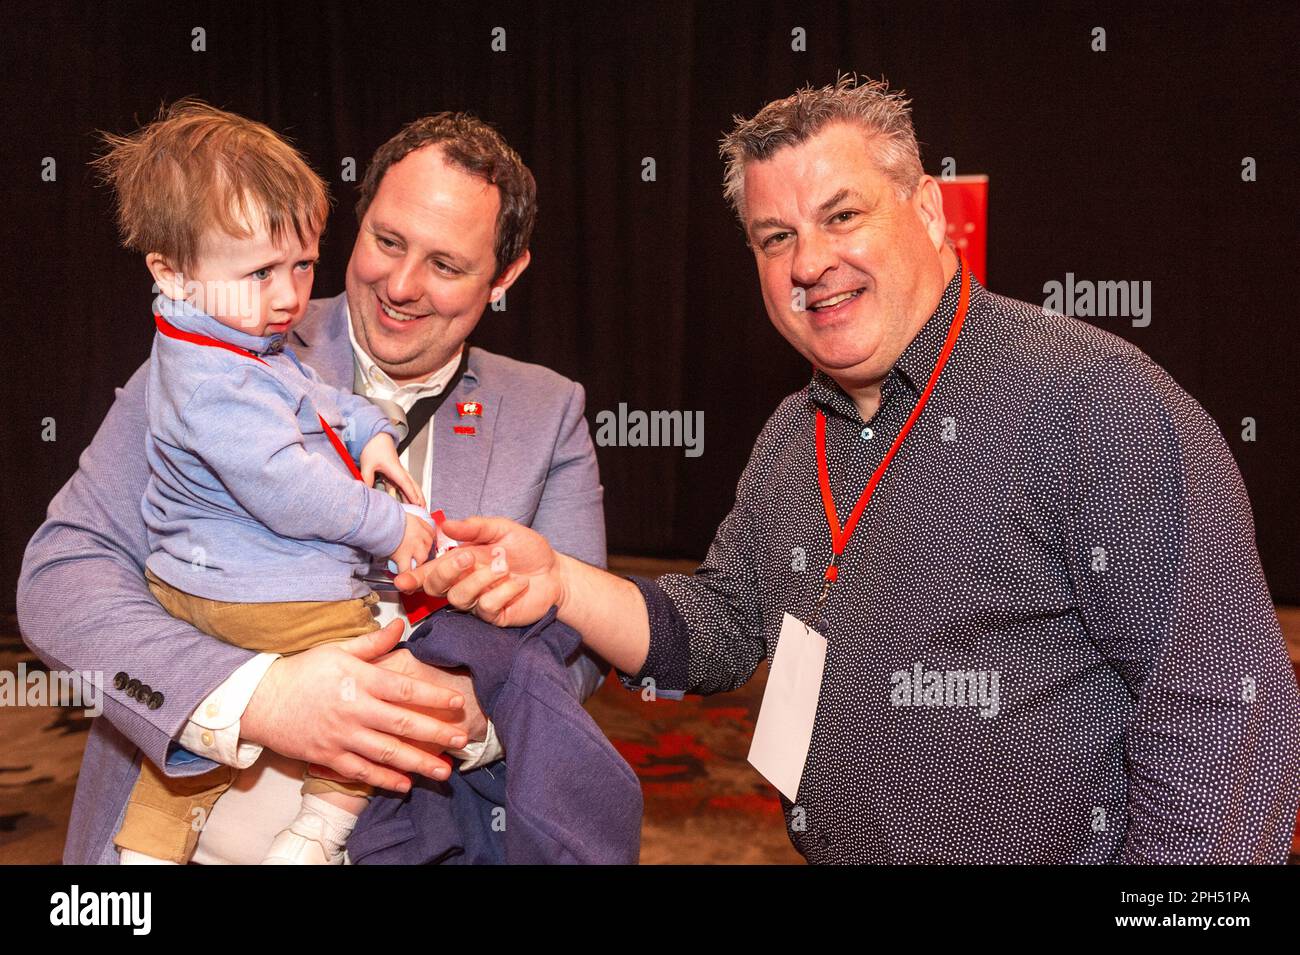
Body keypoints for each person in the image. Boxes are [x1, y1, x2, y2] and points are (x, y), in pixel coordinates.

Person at [402, 75, 1300, 864]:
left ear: (929, 211)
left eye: (842, 215)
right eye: (774, 236)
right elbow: (718, 627)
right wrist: (558, 578)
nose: (811, 263)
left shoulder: (1094, 404)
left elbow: (1228, 714)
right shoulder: (795, 436)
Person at [18, 108, 608, 865]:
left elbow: (579, 640)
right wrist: (255, 697)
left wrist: (464, 714)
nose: (400, 286)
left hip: (422, 839)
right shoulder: (217, 346)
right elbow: (59, 577)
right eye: (386, 242)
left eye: (446, 265)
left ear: (505, 274)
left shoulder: (549, 411)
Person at [95, 100, 444, 865]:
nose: (289, 297)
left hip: (201, 592)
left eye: (303, 265)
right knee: (387, 675)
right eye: (260, 271)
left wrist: (372, 434)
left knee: (189, 748)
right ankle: (317, 833)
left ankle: (147, 853)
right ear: (170, 270)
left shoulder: (230, 335)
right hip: (255, 598)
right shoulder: (212, 379)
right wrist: (390, 526)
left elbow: (315, 398)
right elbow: (285, 486)